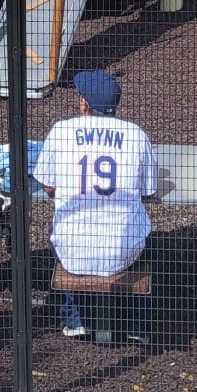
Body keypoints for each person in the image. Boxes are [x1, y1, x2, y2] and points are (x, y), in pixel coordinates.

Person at [38, 71, 160, 340]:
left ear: (84, 104)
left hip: (73, 250)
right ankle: (138, 325)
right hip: (123, 251)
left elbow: (47, 186)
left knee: (61, 233)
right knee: (149, 239)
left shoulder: (61, 130)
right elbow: (149, 190)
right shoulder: (135, 134)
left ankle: (74, 319)